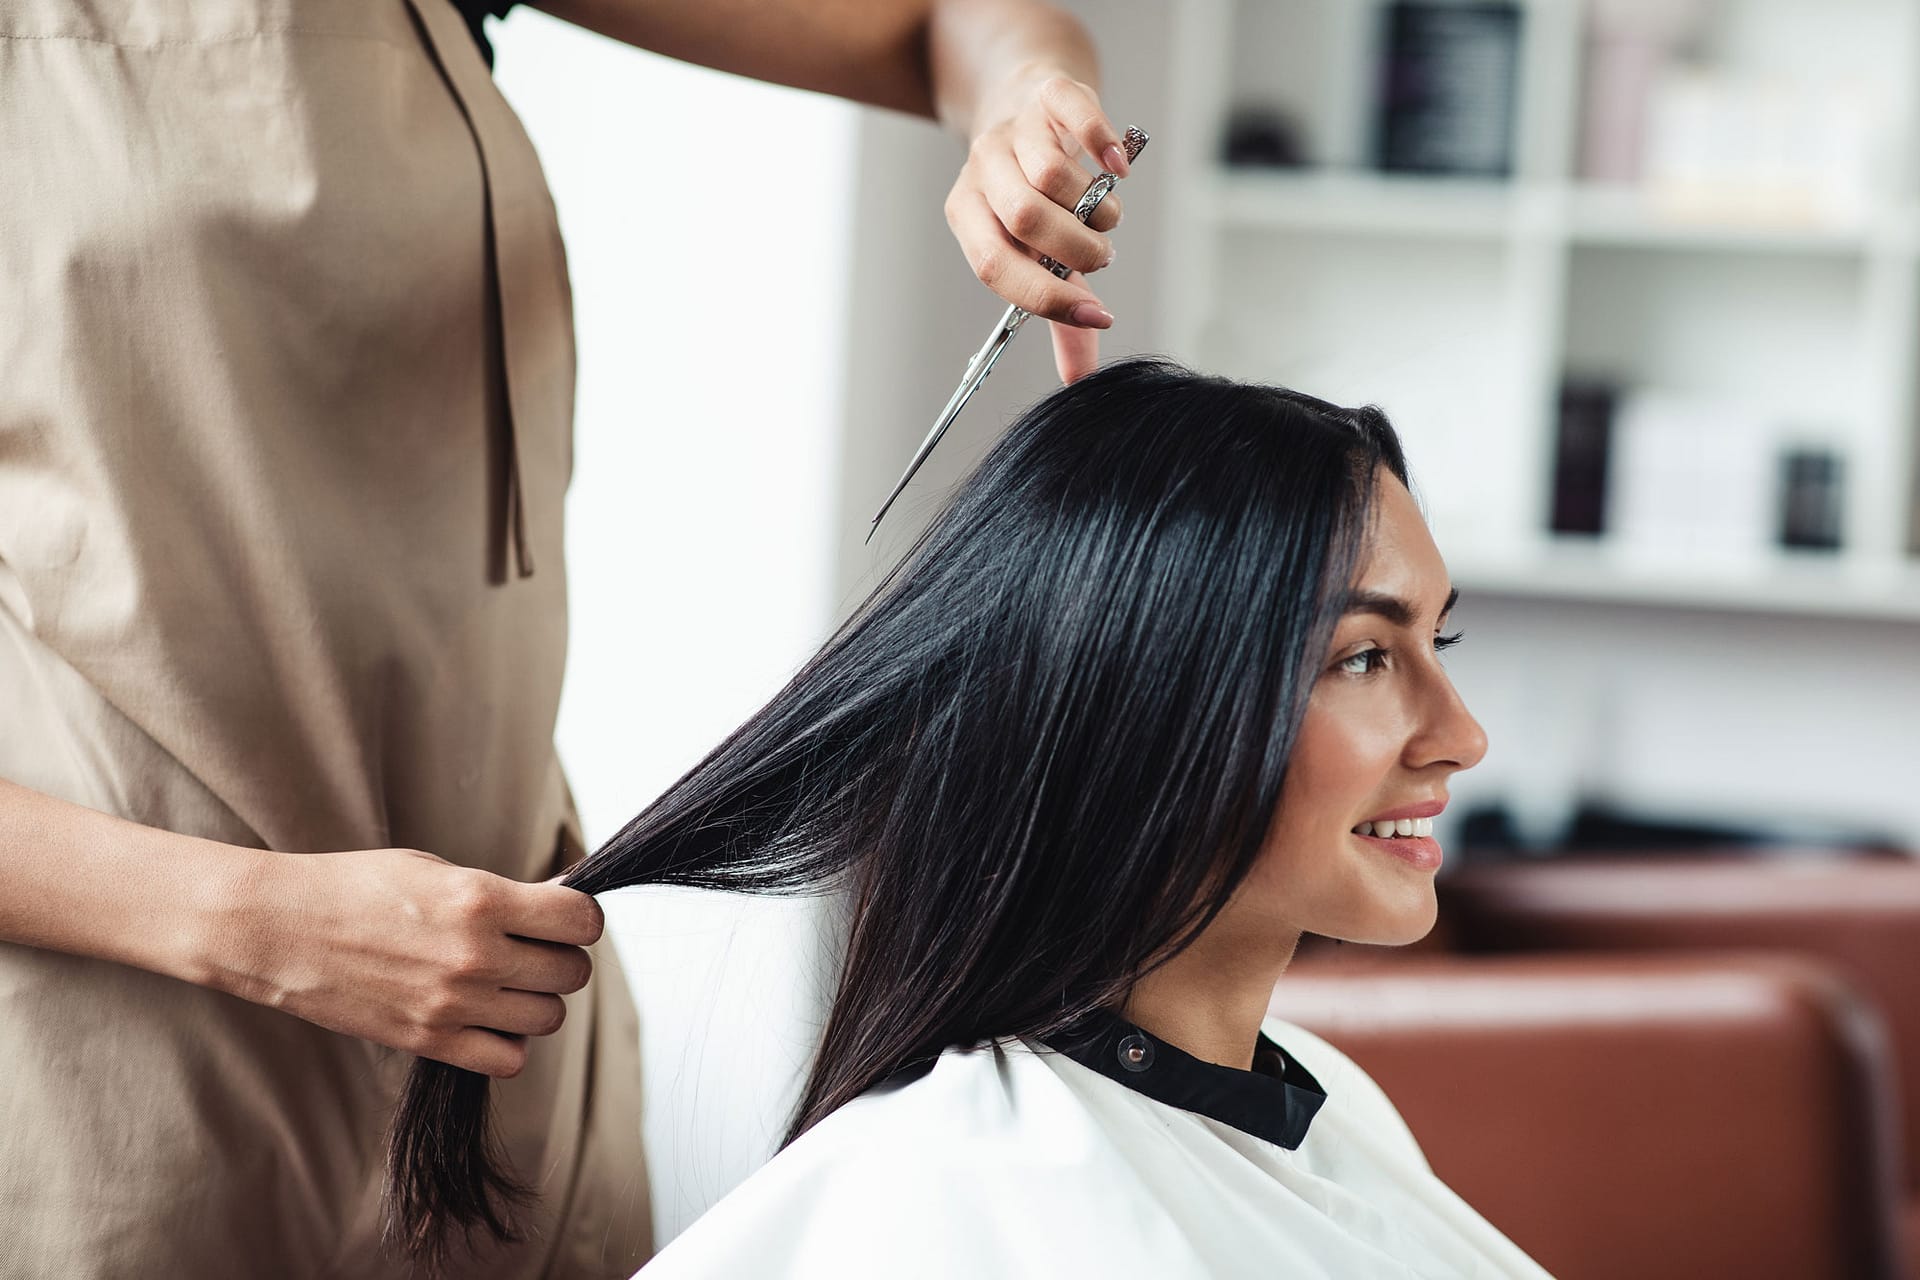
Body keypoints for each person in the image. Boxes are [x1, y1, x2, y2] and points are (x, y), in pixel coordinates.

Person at [0, 1, 1128, 1276]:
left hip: (503, 1047)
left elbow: (954, 21)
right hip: (116, 1072)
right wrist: (268, 925)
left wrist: (1021, 104)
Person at [392, 359, 1555, 1277]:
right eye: (1364, 656)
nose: (1461, 732)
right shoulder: (969, 1181)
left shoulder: (1332, 1105)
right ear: (1147, 694)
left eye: (1436, 639)